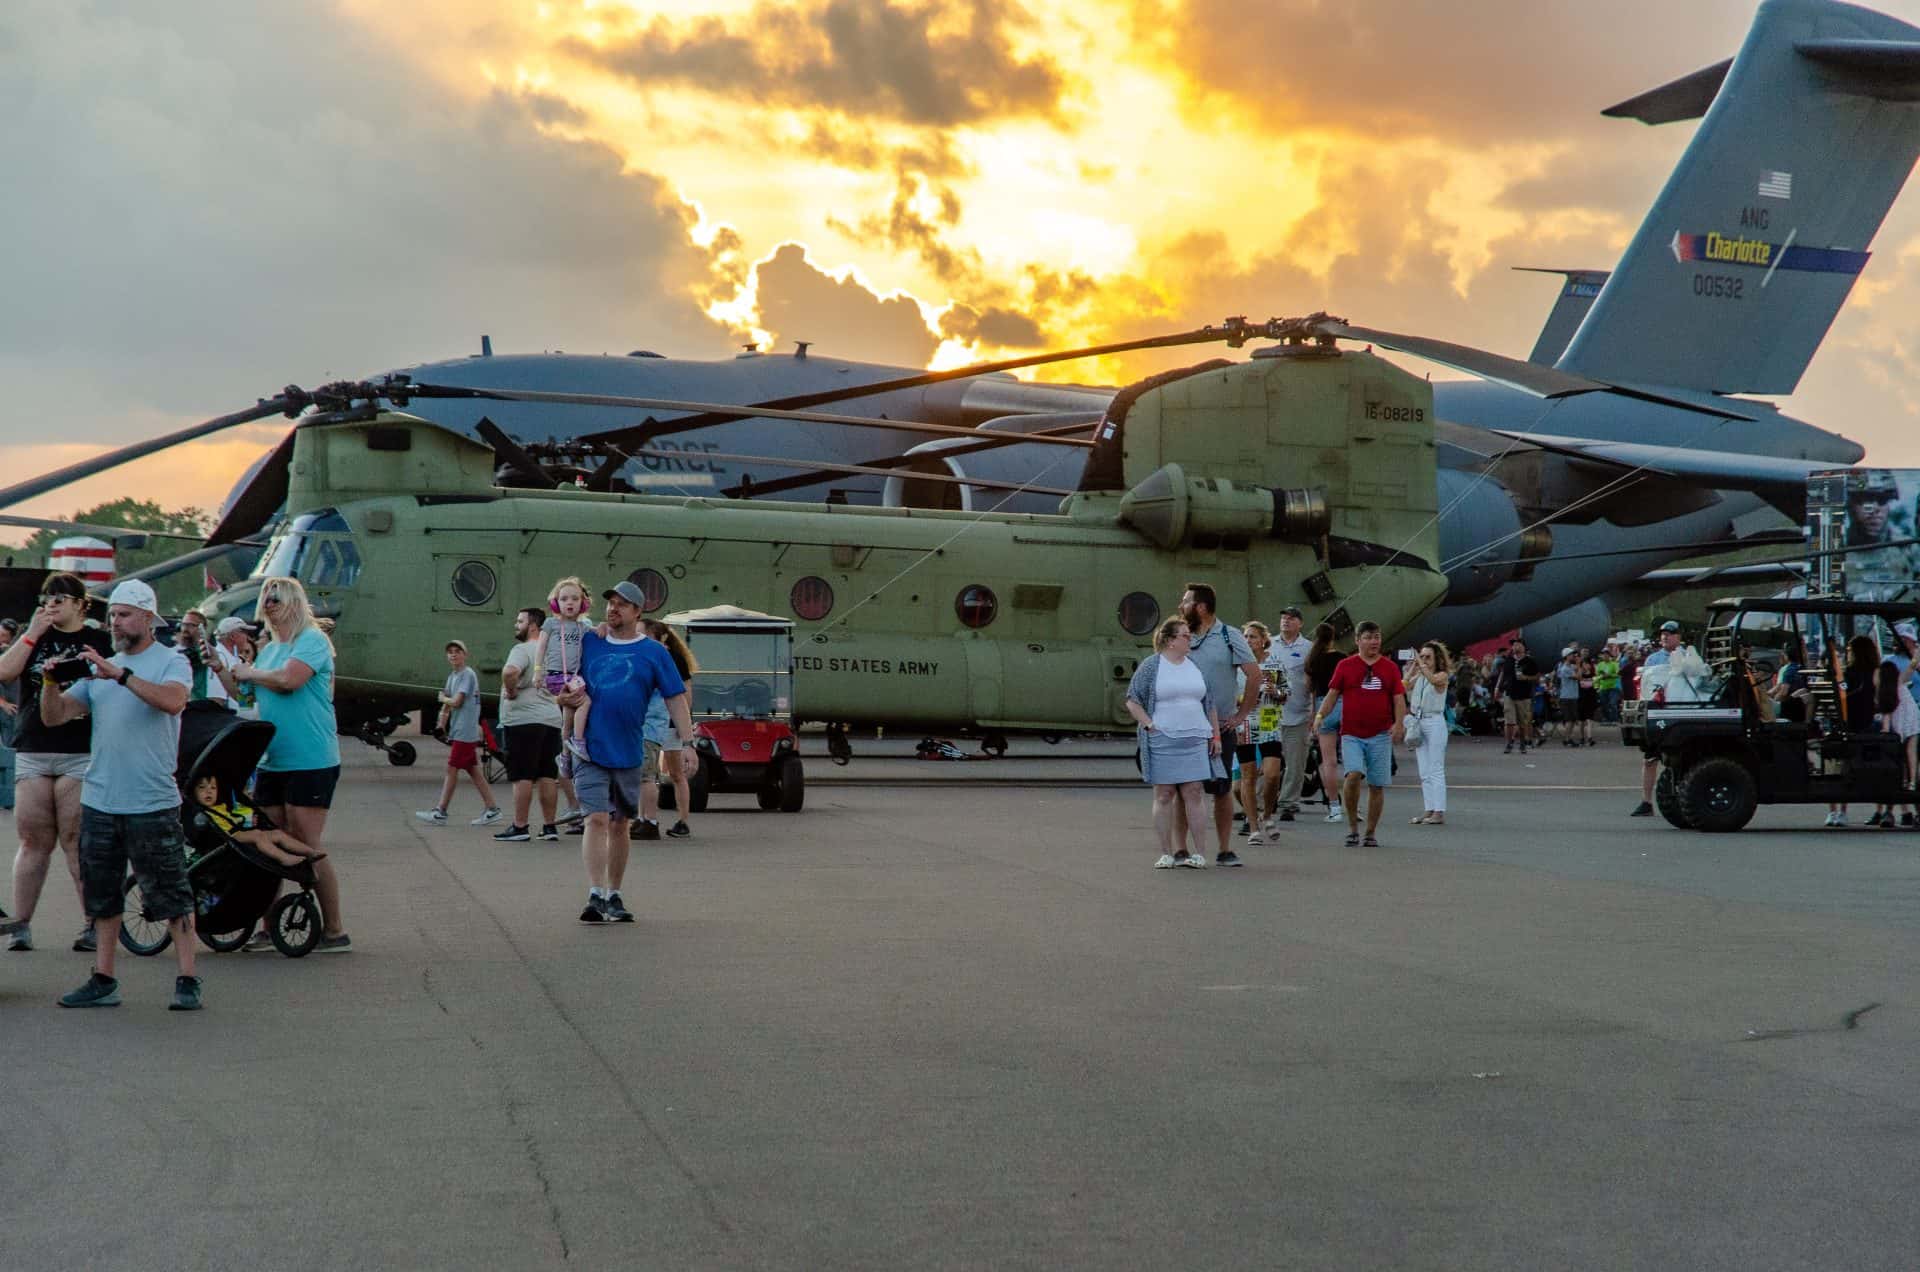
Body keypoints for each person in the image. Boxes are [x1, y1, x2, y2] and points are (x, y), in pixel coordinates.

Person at [36, 579, 202, 1010]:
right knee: (103, 895)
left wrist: (122, 677)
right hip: (101, 800)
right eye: (112, 615)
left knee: (170, 892)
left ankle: (187, 977)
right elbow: (55, 717)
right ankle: (104, 978)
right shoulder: (101, 667)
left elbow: (174, 702)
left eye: (124, 615)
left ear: (147, 618)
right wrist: (50, 682)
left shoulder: (171, 661)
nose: (115, 622)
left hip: (152, 800)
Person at [218, 577, 349, 952]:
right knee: (266, 842)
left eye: (275, 598)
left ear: (293, 601)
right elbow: (245, 694)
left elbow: (290, 680)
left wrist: (251, 672)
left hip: (311, 759)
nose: (269, 604)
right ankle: (267, 927)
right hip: (274, 760)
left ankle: (335, 931)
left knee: (305, 843)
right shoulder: (270, 649)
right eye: (265, 599)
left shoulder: (311, 640)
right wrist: (222, 670)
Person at [560, 580, 697, 924]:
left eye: (622, 604)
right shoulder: (591, 641)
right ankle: (595, 893)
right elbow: (558, 675)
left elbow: (675, 699)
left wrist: (687, 743)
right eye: (611, 603)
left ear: (638, 612)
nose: (613, 608)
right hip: (589, 748)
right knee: (595, 818)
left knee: (620, 823)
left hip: (629, 750)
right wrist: (561, 697)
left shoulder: (654, 653)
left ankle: (614, 894)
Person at [0, 572, 112, 954]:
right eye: (47, 598)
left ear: (81, 604)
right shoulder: (35, 637)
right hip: (34, 746)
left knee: (75, 840)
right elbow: (5, 671)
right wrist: (32, 632)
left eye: (61, 598)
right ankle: (21, 924)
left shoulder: (97, 640)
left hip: (79, 749)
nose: (52, 604)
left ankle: (92, 923)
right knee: (33, 839)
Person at [1168, 583, 1259, 866]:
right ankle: (1181, 850)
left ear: (1201, 607)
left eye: (1186, 601)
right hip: (1184, 726)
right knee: (1184, 789)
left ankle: (1224, 849)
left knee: (1221, 788)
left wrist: (1241, 715)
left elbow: (1254, 675)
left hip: (1220, 727)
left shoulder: (1229, 636)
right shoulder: (1179, 636)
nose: (1180, 606)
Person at [1126, 617, 1223, 869]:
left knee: (1194, 792)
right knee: (1164, 793)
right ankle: (1166, 853)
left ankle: (1200, 853)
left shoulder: (1196, 666)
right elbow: (1132, 700)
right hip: (1163, 738)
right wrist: (1150, 725)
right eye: (1185, 636)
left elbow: (1209, 703)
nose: (1190, 640)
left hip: (1195, 738)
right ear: (1170, 640)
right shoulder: (1152, 666)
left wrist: (1215, 736)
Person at [1313, 620, 1407, 848]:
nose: (1374, 642)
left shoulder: (1389, 667)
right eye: (1368, 637)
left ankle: (1370, 833)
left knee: (1376, 785)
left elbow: (1398, 698)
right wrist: (1319, 716)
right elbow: (1332, 695)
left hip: (1380, 734)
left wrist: (1399, 723)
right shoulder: (1346, 665)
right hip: (1352, 733)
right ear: (1357, 641)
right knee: (1353, 774)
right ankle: (1353, 827)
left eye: (1377, 637)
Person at [495, 607, 564, 843]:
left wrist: (512, 690)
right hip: (551, 719)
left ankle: (520, 826)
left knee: (522, 774)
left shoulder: (522, 649)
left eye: (520, 621)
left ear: (533, 626)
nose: (516, 625)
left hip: (523, 720)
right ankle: (549, 826)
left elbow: (509, 672)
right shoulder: (553, 652)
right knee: (547, 774)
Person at [415, 640, 503, 827]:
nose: (453, 654)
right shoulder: (452, 677)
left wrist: (443, 699)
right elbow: (448, 705)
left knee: (452, 768)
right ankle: (492, 809)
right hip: (459, 729)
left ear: (465, 654)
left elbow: (456, 701)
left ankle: (441, 811)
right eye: (450, 652)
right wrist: (441, 724)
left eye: (457, 651)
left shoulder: (467, 675)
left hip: (465, 730)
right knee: (473, 770)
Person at [643, 619, 701, 839]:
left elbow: (685, 694)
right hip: (649, 722)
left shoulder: (674, 658)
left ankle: (683, 820)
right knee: (647, 773)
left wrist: (683, 725)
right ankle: (644, 818)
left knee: (676, 773)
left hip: (670, 723)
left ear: (660, 637)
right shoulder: (644, 655)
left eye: (645, 635)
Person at [191, 775, 325, 867]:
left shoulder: (222, 806)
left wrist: (249, 818)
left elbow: (236, 816)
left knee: (276, 833)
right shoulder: (201, 812)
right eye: (202, 788)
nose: (208, 792)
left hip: (238, 830)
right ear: (194, 792)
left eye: (213, 788)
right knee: (258, 836)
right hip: (229, 835)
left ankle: (309, 852)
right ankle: (284, 858)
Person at [1234, 621, 1287, 845]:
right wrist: (1243, 699)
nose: (1248, 641)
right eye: (1246, 637)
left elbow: (1286, 693)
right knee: (1248, 777)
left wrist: (1276, 692)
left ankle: (1267, 815)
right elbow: (1228, 695)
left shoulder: (1274, 662)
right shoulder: (1237, 665)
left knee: (1272, 774)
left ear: (1263, 640)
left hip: (1269, 721)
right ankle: (1254, 828)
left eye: (1253, 636)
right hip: (1244, 722)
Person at [1630, 621, 1685, 817]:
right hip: (1657, 712)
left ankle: (1681, 799)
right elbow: (1645, 687)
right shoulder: (1653, 659)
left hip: (1679, 713)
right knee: (1650, 759)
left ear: (1678, 636)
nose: (1665, 636)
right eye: (1663, 634)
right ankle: (1646, 802)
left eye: (1670, 633)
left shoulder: (1687, 656)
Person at [540, 577, 594, 766]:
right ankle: (578, 741)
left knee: (568, 717)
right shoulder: (551, 624)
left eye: (574, 599)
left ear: (583, 603)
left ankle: (564, 756)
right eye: (564, 599)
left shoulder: (583, 626)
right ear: (556, 603)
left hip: (573, 678)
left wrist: (602, 628)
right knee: (585, 702)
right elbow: (541, 647)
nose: (569, 603)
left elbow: (595, 631)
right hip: (558, 676)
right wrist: (537, 671)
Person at [1269, 605, 1313, 823]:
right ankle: (1263, 801)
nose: (1286, 621)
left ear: (1300, 623)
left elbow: (1313, 681)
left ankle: (1288, 803)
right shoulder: (1269, 644)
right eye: (1284, 617)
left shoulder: (1308, 648)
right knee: (1267, 762)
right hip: (1270, 713)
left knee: (1295, 764)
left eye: (1292, 618)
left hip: (1298, 712)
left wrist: (1314, 711)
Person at [1405, 641, 1451, 826]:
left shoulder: (1441, 675)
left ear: (1436, 658)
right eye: (1422, 656)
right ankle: (1429, 808)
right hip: (1419, 721)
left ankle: (1439, 811)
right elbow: (1404, 686)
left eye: (1427, 657)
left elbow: (1434, 680)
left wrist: (1421, 666)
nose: (1423, 660)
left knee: (1436, 768)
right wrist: (1412, 668)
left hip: (1434, 722)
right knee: (1424, 770)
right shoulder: (1421, 676)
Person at [1304, 623, 1346, 822]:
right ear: (1333, 637)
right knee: (1351, 757)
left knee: (1328, 762)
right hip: (1344, 705)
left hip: (1323, 707)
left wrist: (1314, 714)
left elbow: (1310, 689)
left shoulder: (1312, 659)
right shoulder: (1342, 658)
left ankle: (1334, 807)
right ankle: (1353, 805)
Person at [1487, 638, 1538, 754]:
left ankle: (1523, 743)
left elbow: (1536, 676)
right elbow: (1502, 674)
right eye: (1514, 645)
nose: (1515, 647)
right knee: (1509, 721)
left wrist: (1525, 677)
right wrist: (1497, 688)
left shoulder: (1530, 661)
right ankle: (1509, 743)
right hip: (1509, 693)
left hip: (1524, 695)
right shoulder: (1509, 660)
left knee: (1522, 722)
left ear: (1523, 647)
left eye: (1517, 645)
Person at [213, 617, 258, 717]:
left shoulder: (235, 658)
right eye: (244, 632)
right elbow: (216, 699)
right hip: (228, 722)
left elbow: (245, 702)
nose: (247, 637)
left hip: (241, 721)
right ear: (233, 636)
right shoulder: (218, 657)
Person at [0, 619, 18, 814]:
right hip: (5, 708)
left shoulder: (14, 653)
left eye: (4, 636)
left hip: (11, 710)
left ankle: (7, 796)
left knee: (8, 751)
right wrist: (2, 703)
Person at [1555, 648, 1581, 744]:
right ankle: (1567, 739)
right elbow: (1578, 677)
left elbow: (1580, 673)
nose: (1573, 656)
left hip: (1573, 696)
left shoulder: (1571, 666)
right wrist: (1579, 665)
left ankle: (1568, 738)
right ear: (1566, 656)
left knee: (1573, 720)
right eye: (1571, 655)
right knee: (1569, 720)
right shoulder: (1565, 669)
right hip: (1567, 697)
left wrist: (1578, 666)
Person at [1595, 645, 1622, 724]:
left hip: (1613, 687)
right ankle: (1606, 719)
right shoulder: (1599, 665)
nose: (1605, 656)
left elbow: (1618, 674)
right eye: (1604, 654)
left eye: (1607, 654)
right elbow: (1596, 676)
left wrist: (1609, 675)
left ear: (1609, 655)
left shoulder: (1614, 664)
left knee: (1612, 703)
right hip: (1603, 687)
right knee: (1604, 704)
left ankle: (1614, 719)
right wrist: (1597, 687)